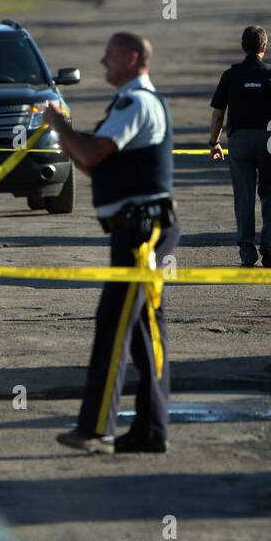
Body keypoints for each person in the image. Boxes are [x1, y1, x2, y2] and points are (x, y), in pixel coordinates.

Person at [45, 32, 177, 455]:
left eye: (110, 54)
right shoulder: (134, 103)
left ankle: (95, 429)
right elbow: (96, 165)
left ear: (133, 58)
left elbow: (94, 153)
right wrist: (69, 138)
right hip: (138, 228)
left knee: (114, 326)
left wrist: (59, 126)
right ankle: (151, 431)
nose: (103, 60)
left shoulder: (135, 103)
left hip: (142, 232)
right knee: (142, 332)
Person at [209, 25, 271, 267]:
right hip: (270, 140)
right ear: (264, 48)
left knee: (244, 196)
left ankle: (247, 250)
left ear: (242, 47)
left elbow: (218, 114)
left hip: (240, 141)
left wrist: (214, 142)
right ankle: (269, 248)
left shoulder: (231, 74)